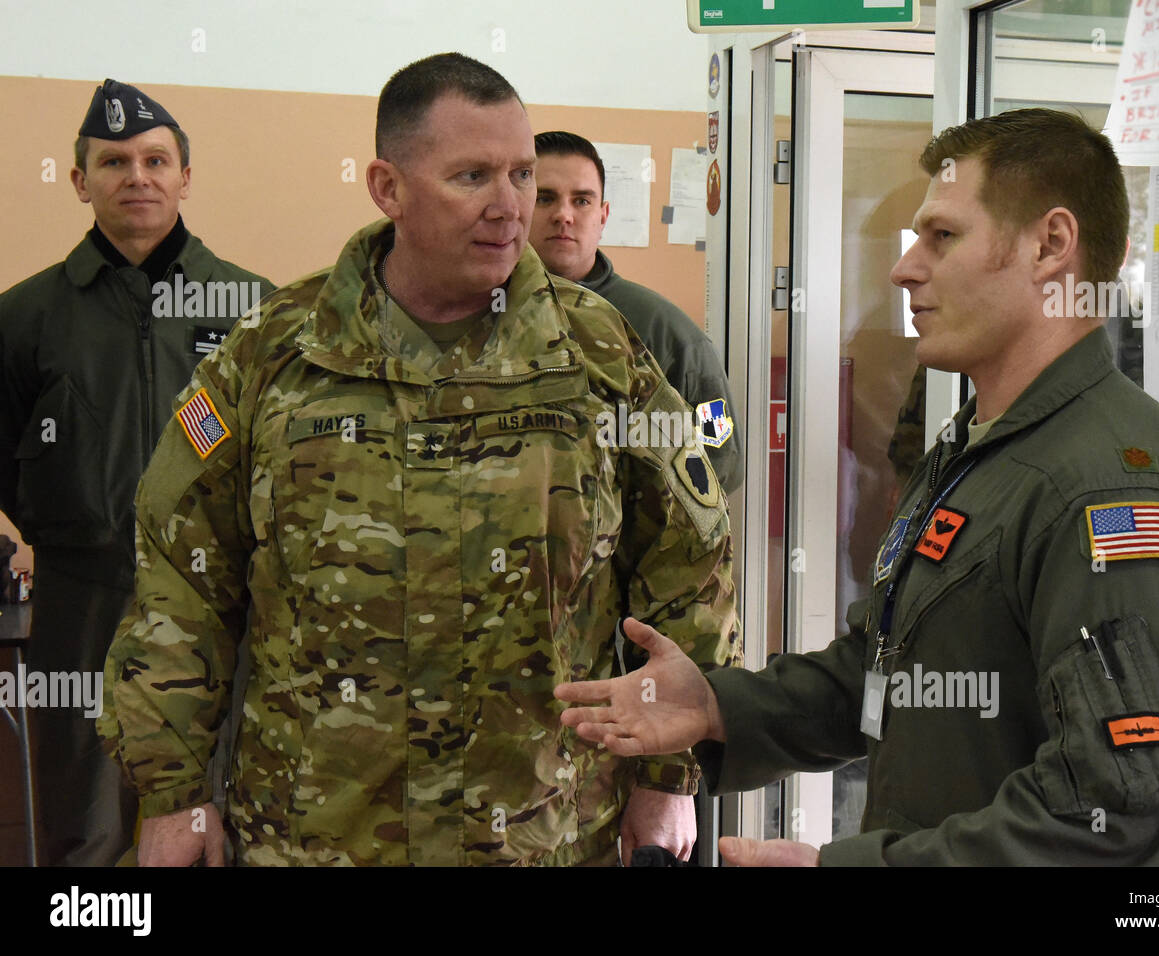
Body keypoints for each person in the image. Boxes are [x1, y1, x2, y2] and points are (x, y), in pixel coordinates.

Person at [556, 108, 1159, 866]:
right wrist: (718, 706)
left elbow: (1120, 811)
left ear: (1051, 246)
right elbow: (889, 677)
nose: (904, 268)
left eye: (942, 236)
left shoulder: (1115, 490)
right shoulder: (982, 447)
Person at [96, 53, 739, 867]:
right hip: (317, 837)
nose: (509, 206)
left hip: (543, 832)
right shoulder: (274, 354)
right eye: (472, 176)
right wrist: (175, 792)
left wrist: (670, 776)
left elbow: (690, 562)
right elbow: (180, 578)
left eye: (522, 174)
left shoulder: (598, 353)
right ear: (387, 187)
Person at [0, 79, 271, 866]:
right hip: (84, 603)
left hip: (226, 599)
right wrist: (76, 528)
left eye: (155, 160)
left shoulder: (254, 308)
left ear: (185, 176)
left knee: (222, 818)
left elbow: (283, 460)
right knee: (85, 824)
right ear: (80, 181)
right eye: (113, 162)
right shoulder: (26, 317)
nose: (137, 177)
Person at [530, 132, 742, 494]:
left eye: (581, 200)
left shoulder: (664, 331)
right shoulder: (474, 314)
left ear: (603, 216)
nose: (563, 215)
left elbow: (720, 460)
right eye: (544, 198)